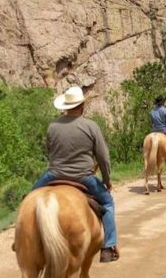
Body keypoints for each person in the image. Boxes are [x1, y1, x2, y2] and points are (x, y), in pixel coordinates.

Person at [31, 86, 120, 262]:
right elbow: (103, 157)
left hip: (53, 175)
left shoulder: (52, 126)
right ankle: (108, 247)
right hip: (84, 177)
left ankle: (22, 241)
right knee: (108, 204)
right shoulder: (91, 126)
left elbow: (50, 151)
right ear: (83, 105)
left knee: (28, 199)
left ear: (65, 106)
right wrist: (107, 180)